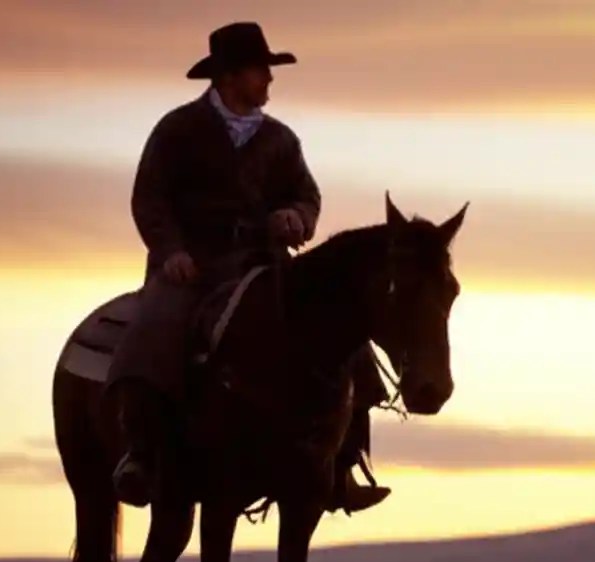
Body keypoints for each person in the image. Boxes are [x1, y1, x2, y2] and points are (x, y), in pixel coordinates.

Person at [106, 21, 390, 513]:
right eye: (262, 71)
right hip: (191, 265)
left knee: (348, 339)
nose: (269, 81)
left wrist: (296, 218)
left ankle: (343, 464)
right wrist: (170, 251)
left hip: (262, 263)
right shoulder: (177, 130)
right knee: (154, 329)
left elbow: (307, 195)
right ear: (231, 76)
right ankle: (142, 454)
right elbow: (149, 199)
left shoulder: (281, 140)